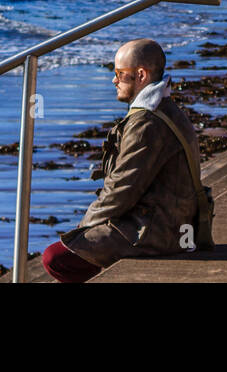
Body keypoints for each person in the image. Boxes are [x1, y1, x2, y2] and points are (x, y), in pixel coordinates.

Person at [41, 38, 205, 283]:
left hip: (159, 230)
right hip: (176, 224)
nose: (114, 80)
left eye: (119, 73)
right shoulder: (162, 107)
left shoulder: (147, 123)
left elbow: (122, 189)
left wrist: (82, 229)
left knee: (56, 257)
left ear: (140, 75)